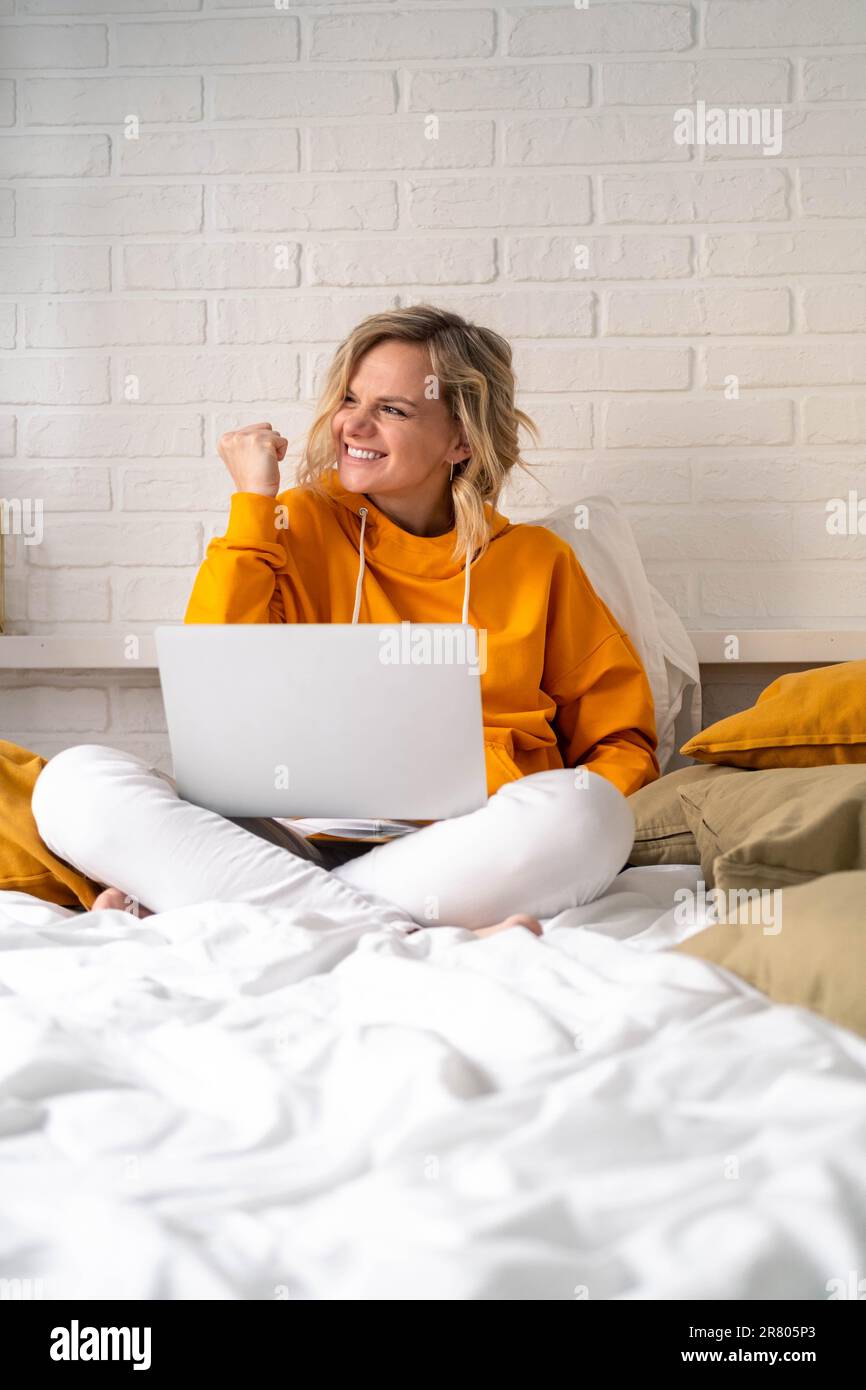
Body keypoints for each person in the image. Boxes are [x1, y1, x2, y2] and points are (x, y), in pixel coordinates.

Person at [32, 306, 660, 939]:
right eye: (350, 399)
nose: (353, 424)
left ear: (462, 439)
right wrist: (254, 502)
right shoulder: (295, 521)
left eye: (393, 409)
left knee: (587, 816)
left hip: (457, 853)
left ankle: (241, 911)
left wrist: (539, 807)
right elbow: (215, 665)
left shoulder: (536, 561)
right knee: (73, 784)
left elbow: (621, 744)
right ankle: (405, 934)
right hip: (281, 835)